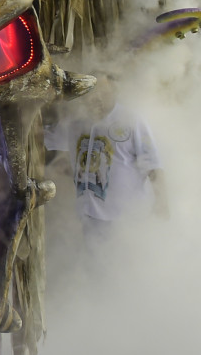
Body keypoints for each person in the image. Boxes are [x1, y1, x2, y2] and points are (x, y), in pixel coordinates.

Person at [46, 74, 166, 239]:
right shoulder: (75, 123)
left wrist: (162, 202)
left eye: (103, 92)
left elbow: (153, 165)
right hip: (89, 215)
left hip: (125, 219)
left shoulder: (131, 121)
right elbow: (43, 138)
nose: (96, 98)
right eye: (91, 93)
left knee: (123, 263)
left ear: (114, 91)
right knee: (95, 261)